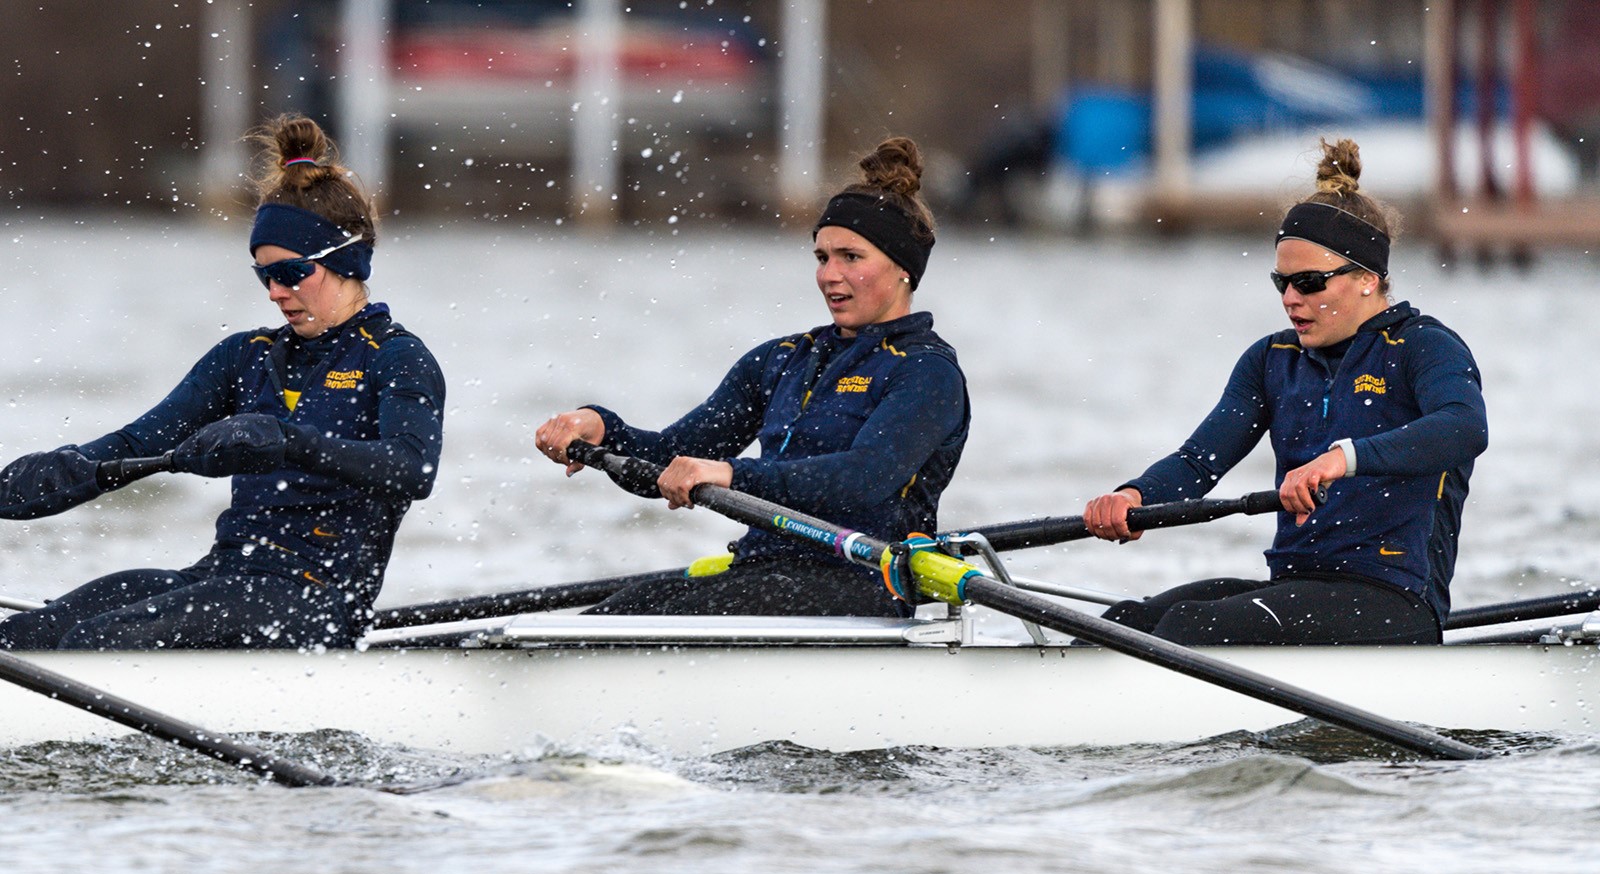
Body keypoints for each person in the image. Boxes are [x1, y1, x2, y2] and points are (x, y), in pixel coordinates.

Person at [0, 114, 445, 651]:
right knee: (28, 635)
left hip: (315, 599)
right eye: (264, 275)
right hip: (225, 577)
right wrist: (66, 472)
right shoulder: (244, 357)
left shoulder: (397, 359)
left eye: (290, 273)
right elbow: (137, 445)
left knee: (99, 640)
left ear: (347, 261)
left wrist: (290, 442)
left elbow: (413, 468)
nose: (275, 293)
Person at [534, 137, 970, 618]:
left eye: (851, 257)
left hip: (859, 584)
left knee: (653, 619)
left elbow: (864, 477)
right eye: (822, 258)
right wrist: (603, 429)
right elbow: (671, 460)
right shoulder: (780, 361)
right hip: (761, 571)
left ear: (903, 268)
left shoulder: (926, 372)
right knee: (624, 609)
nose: (830, 275)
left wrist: (732, 474)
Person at [1081, 138, 1487, 646]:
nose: (1291, 299)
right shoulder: (1273, 359)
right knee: (1123, 624)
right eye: (1282, 282)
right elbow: (1197, 463)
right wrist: (1135, 496)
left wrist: (1342, 459)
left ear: (1366, 278)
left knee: (1189, 627)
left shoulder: (1424, 348)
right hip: (1297, 589)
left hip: (1394, 600)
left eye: (1310, 282)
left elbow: (1464, 428)